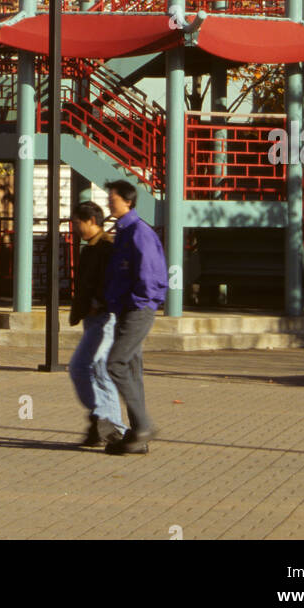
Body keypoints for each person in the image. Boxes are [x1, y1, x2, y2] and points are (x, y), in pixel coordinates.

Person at [102, 179, 168, 455]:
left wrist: (140, 303)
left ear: (127, 202)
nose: (109, 202)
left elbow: (150, 276)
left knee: (115, 363)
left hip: (137, 310)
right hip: (127, 309)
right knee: (130, 369)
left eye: (113, 199)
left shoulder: (139, 232)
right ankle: (138, 436)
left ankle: (143, 425)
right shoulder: (124, 231)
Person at [67, 201, 126, 448]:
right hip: (92, 316)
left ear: (91, 221)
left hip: (104, 316)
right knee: (95, 369)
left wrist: (99, 302)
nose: (75, 228)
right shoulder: (89, 248)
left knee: (85, 367)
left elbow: (112, 281)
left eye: (78, 223)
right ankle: (107, 422)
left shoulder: (107, 247)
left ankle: (110, 422)